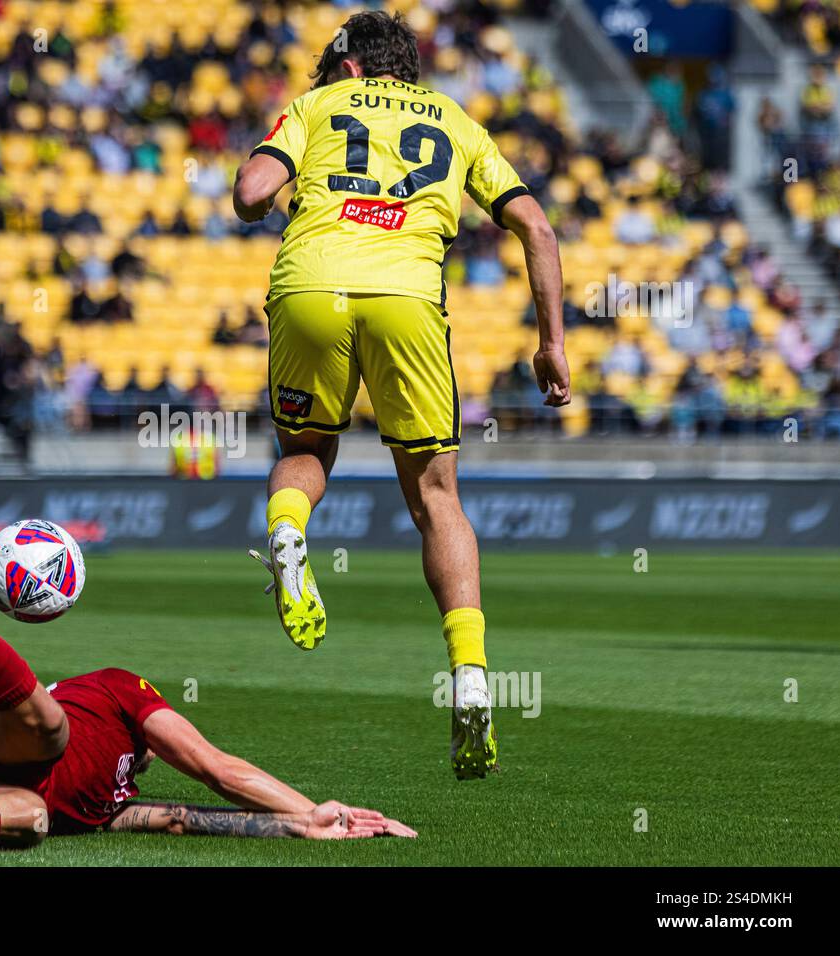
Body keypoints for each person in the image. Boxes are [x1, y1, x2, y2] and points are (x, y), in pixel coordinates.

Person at [231, 11, 570, 780]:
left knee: (307, 450)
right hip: (409, 295)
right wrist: (551, 342)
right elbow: (538, 230)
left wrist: (278, 173)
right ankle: (473, 675)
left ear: (349, 67)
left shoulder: (316, 106)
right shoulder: (455, 118)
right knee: (436, 494)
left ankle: (287, 538)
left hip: (311, 283)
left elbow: (252, 193)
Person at [0, 524, 414, 847]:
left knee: (34, 818)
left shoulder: (116, 797)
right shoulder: (121, 690)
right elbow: (217, 770)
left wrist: (292, 831)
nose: (171, 741)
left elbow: (185, 817)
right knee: (51, 731)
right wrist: (312, 805)